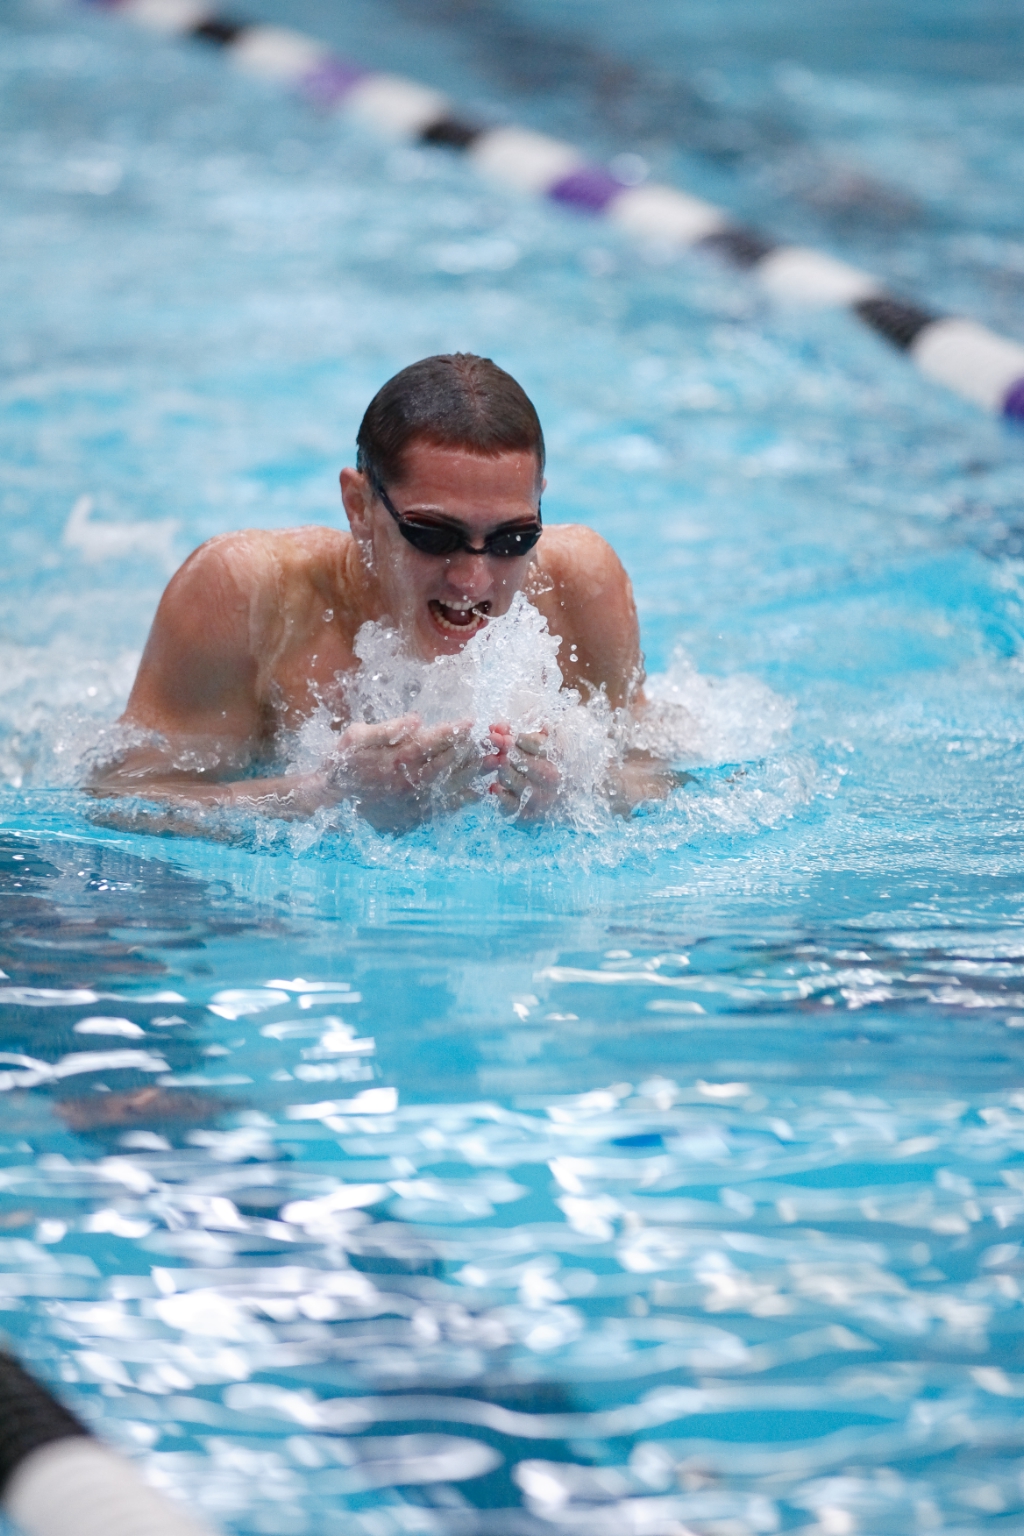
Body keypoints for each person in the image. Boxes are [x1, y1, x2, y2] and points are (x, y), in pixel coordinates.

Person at [91, 354, 672, 830]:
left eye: (511, 538)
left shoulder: (579, 582)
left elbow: (662, 773)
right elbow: (119, 805)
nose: (471, 580)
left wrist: (584, 788)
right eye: (431, 534)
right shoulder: (247, 594)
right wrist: (322, 795)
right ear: (359, 507)